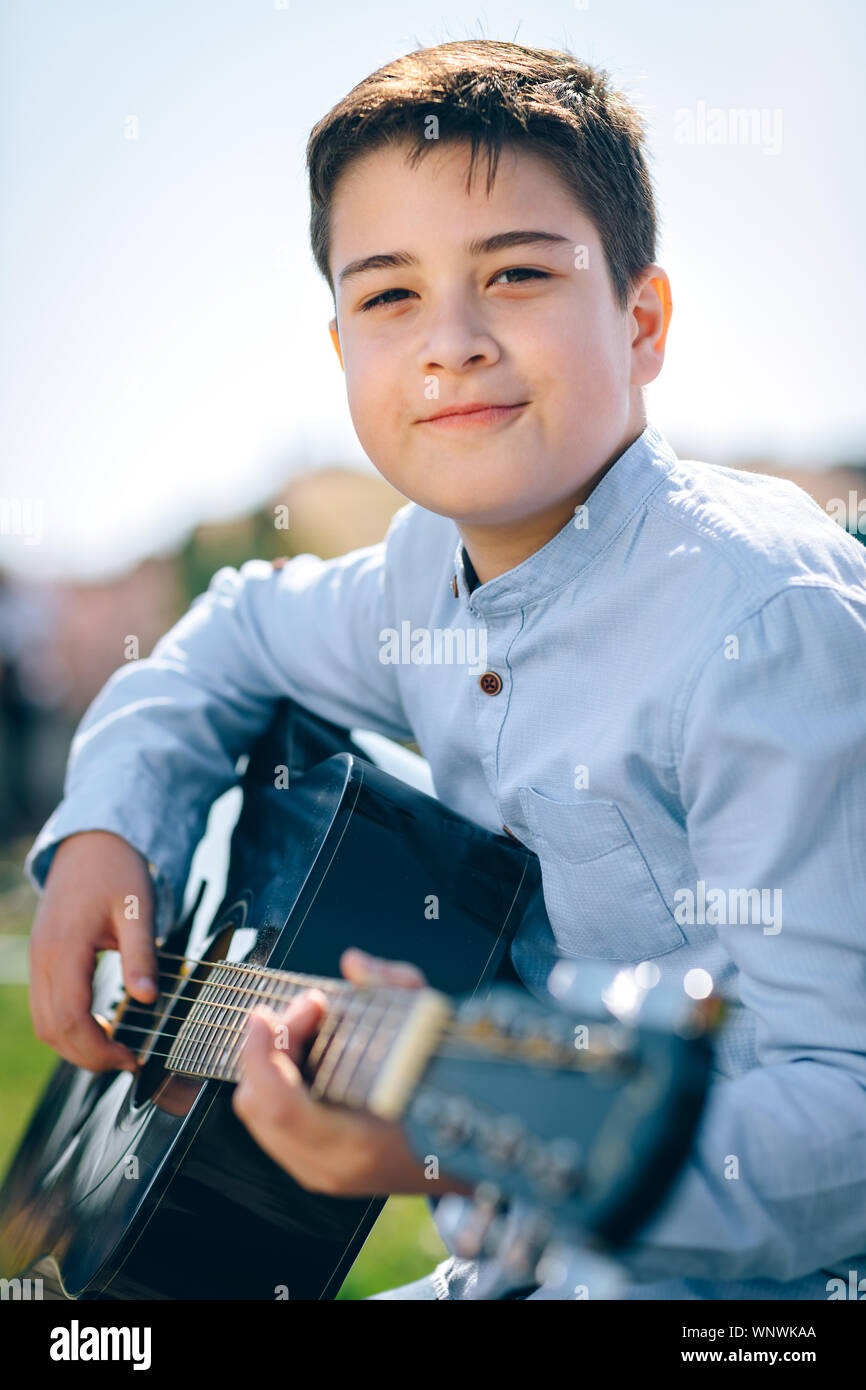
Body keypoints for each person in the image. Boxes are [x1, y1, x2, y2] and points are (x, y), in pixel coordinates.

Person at [24, 40, 866, 1301]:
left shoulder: (762, 623)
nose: (451, 342)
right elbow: (231, 633)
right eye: (388, 296)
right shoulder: (422, 574)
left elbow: (842, 1113)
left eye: (517, 274)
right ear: (342, 353)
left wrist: (452, 1149)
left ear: (640, 323)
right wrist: (105, 827)